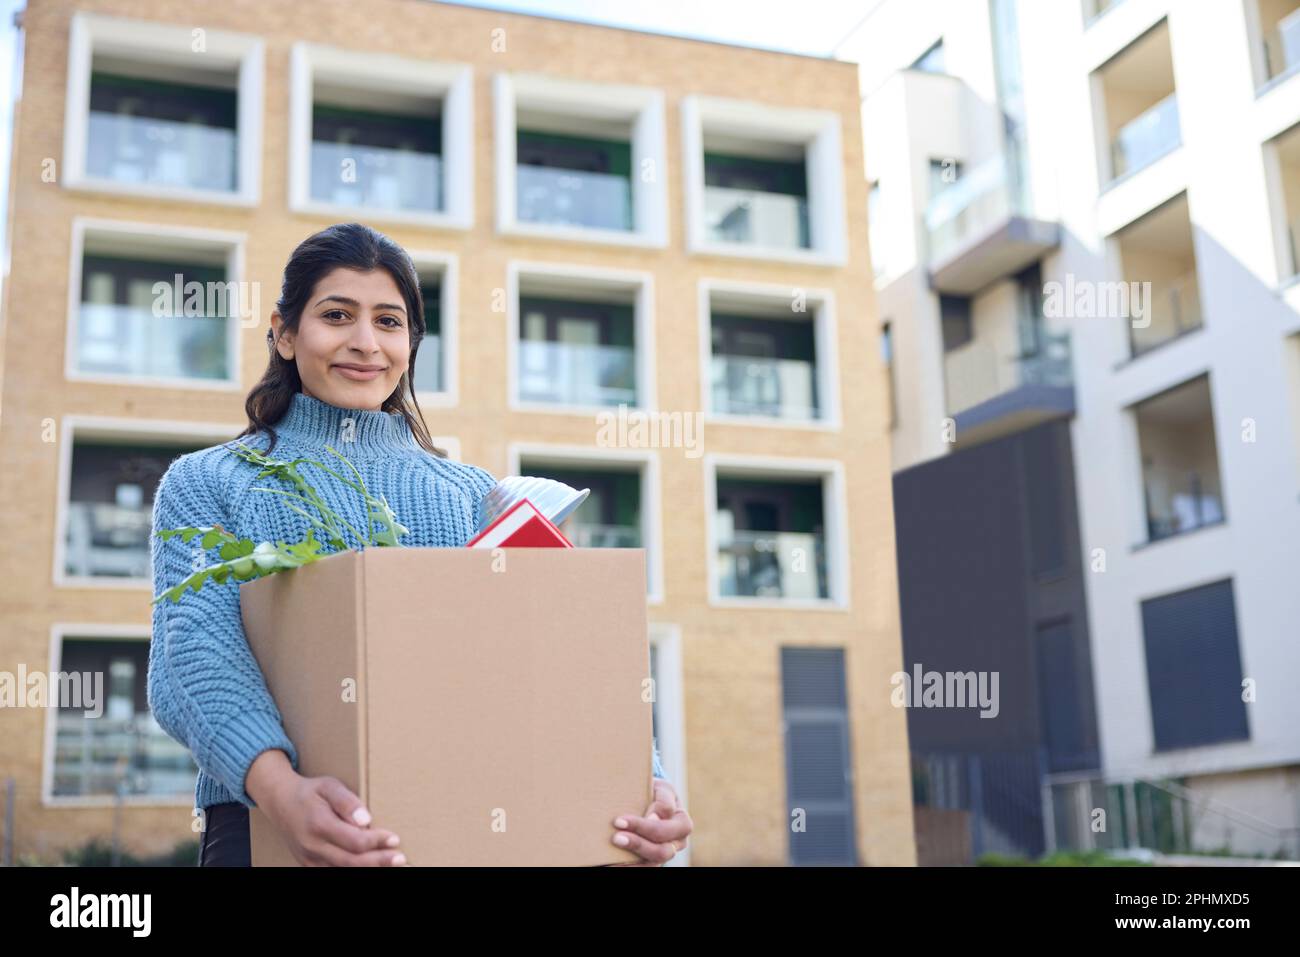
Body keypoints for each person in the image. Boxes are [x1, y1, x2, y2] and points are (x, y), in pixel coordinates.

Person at [147, 222, 692, 866]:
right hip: (270, 825)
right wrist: (282, 791)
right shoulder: (211, 481)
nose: (364, 342)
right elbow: (193, 656)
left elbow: (554, 657)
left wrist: (642, 780)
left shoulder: (476, 496)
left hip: (458, 822)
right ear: (285, 332)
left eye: (388, 321)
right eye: (337, 315)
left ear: (411, 343)